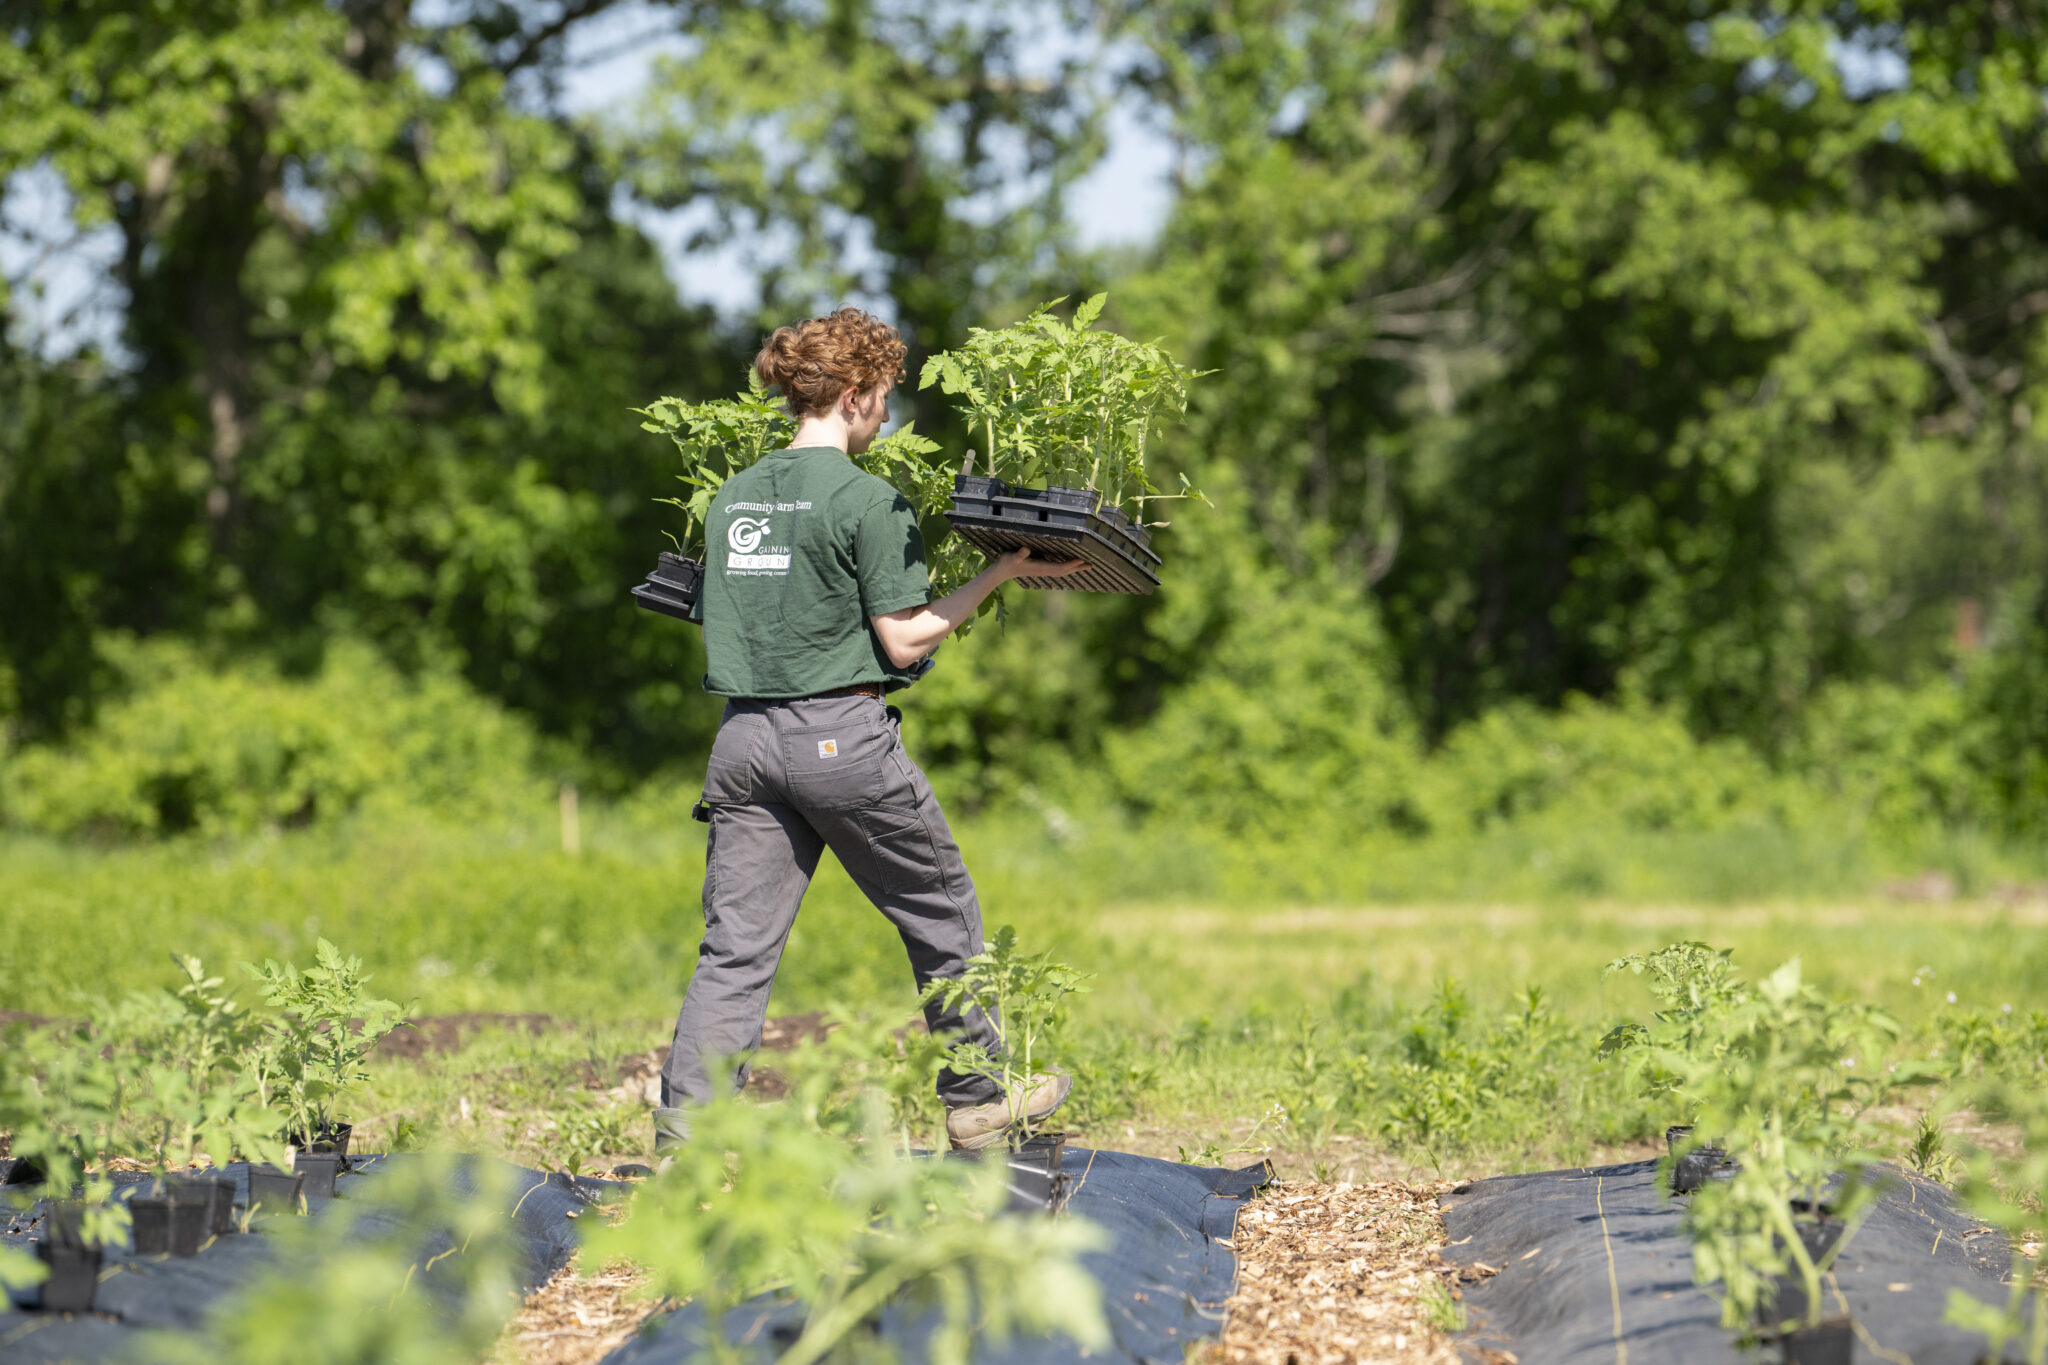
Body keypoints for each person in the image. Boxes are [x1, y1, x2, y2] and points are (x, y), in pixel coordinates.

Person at [655, 307, 1086, 1153]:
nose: (885, 414)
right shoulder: (867, 499)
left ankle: (686, 1143)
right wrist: (999, 572)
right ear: (854, 393)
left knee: (735, 952)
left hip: (742, 743)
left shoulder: (736, 495)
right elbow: (903, 637)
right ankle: (978, 1096)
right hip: (837, 739)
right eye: (884, 395)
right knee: (940, 907)